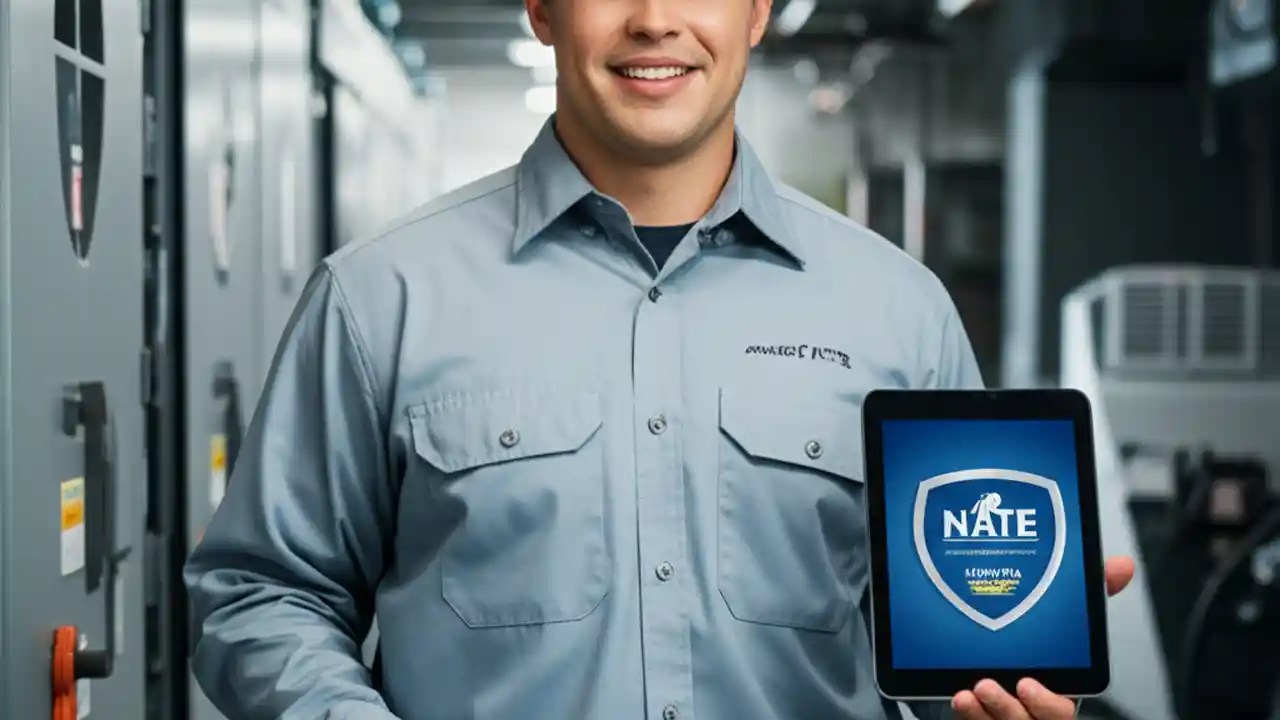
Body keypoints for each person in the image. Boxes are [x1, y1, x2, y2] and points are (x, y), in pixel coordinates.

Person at [183, 0, 1136, 718]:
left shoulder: (897, 310)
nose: (653, 21)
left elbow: (938, 649)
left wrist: (1006, 653)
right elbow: (261, 593)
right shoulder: (382, 296)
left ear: (760, 9)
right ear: (541, 7)